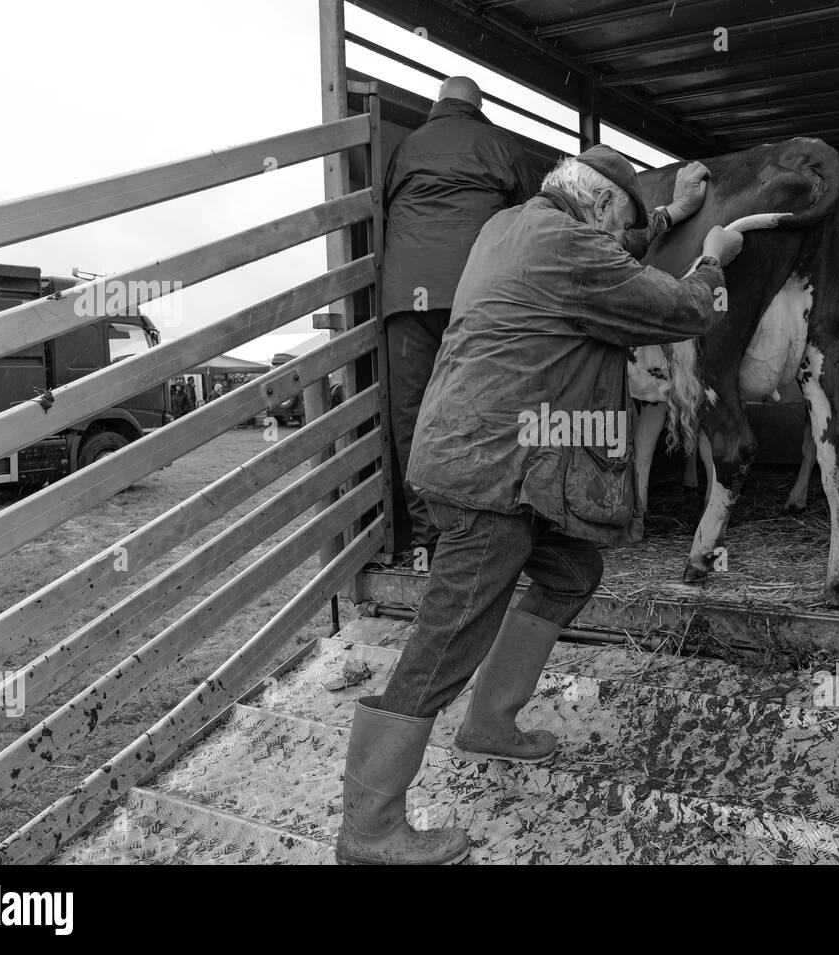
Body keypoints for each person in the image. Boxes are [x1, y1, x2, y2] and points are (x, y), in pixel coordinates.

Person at [336, 144, 743, 864]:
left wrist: (668, 214)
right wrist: (712, 255)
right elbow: (682, 308)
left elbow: (609, 256)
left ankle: (490, 720)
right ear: (598, 206)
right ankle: (370, 826)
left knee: (570, 569)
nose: (622, 243)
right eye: (621, 226)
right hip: (489, 476)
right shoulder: (569, 246)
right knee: (446, 639)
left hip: (473, 454)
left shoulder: (511, 227)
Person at [380, 75, 542, 557]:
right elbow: (531, 217)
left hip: (408, 300)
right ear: (479, 106)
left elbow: (385, 206)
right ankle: (484, 537)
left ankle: (428, 543)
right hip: (479, 296)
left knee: (413, 416)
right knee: (487, 416)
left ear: (437, 103)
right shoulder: (503, 147)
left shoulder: (405, 149)